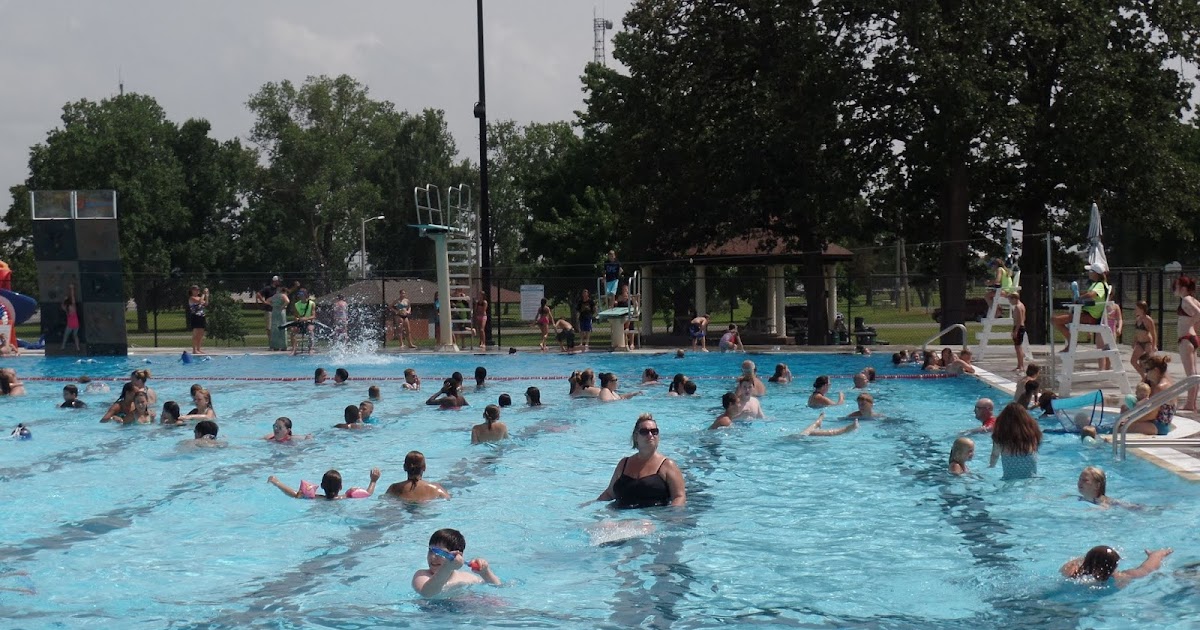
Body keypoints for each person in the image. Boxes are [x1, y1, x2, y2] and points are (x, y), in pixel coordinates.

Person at [593, 413, 686, 508]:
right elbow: (609, 493)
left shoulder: (667, 465)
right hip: (621, 515)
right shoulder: (624, 464)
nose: (650, 435)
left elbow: (679, 496)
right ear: (636, 436)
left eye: (654, 431)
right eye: (644, 432)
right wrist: (590, 505)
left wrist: (671, 517)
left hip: (652, 517)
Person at [412, 528, 501, 597]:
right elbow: (427, 593)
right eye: (430, 551)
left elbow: (497, 587)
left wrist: (485, 573)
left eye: (440, 553)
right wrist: (447, 568)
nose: (432, 557)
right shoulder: (422, 575)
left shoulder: (465, 577)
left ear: (457, 557)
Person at [1052, 263, 1109, 353]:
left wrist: (1079, 298)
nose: (1089, 273)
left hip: (1091, 317)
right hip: (1086, 314)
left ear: (1095, 273)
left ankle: (1072, 342)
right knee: (1055, 320)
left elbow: (1091, 295)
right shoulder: (1096, 284)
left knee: (1055, 320)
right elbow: (1089, 294)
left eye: (1090, 271)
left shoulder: (1100, 285)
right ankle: (1072, 342)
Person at [1061, 546, 1172, 587]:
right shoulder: (1123, 577)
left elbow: (1066, 566)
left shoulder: (1072, 574)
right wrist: (1158, 554)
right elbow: (1148, 568)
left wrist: (1089, 558)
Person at [988, 402, 1042, 480]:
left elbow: (995, 455)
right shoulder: (1032, 434)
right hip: (1031, 477)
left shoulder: (1000, 437)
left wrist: (991, 466)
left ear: (1003, 420)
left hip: (1009, 478)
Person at [1124, 354, 1175, 436]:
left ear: (1156, 370)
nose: (1145, 373)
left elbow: (1152, 414)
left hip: (1158, 426)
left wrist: (1131, 420)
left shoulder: (1160, 387)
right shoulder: (1162, 382)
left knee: (1121, 427)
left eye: (1147, 370)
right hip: (1156, 423)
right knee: (1124, 409)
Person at [269, 468, 380, 500]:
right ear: (340, 487)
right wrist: (373, 480)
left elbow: (293, 494)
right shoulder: (346, 497)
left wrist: (277, 482)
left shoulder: (316, 498)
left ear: (321, 486)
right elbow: (368, 493)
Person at [1175, 276, 1200, 410]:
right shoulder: (1194, 300)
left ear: (1183, 288)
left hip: (1186, 338)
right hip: (1192, 337)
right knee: (1194, 373)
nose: (1175, 289)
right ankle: (1192, 403)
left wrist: (1192, 322)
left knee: (1190, 374)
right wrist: (1194, 327)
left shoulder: (1186, 299)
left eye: (1177, 286)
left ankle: (1190, 404)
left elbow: (1198, 313)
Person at [386, 451, 451, 501]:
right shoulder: (436, 488)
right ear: (424, 467)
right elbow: (448, 499)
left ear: (404, 467)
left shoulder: (394, 488)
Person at [1130, 300, 1158, 377]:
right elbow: (1137, 332)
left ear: (1142, 309)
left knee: (1148, 362)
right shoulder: (1138, 319)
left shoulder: (1148, 320)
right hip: (1139, 342)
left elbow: (1153, 333)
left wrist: (1154, 345)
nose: (1135, 310)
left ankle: (1152, 378)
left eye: (1137, 308)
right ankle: (1144, 376)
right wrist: (1134, 342)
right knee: (1133, 361)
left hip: (1147, 343)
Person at [290, 288, 318, 355]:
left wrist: (306, 318)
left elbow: (314, 316)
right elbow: (296, 315)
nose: (300, 296)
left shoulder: (312, 304)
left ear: (305, 295)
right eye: (299, 295)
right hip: (300, 322)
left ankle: (311, 348)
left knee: (310, 330)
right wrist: (297, 318)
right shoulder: (296, 304)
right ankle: (294, 349)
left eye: (302, 294)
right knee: (292, 331)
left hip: (309, 322)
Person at [266, 278, 290, 351]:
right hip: (281, 312)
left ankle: (275, 345)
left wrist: (273, 305)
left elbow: (267, 301)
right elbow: (287, 301)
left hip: (274, 311)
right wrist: (283, 306)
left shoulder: (274, 296)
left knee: (274, 328)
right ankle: (283, 346)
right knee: (282, 327)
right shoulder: (283, 295)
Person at [1101, 296, 1124, 370]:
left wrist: (1119, 328)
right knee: (1102, 351)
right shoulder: (1101, 305)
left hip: (1111, 330)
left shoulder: (1115, 306)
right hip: (1102, 330)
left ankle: (1107, 369)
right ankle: (1102, 369)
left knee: (1109, 350)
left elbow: (1120, 319)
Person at [187, 285, 209, 355]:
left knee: (201, 333)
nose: (197, 291)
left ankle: (199, 349)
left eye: (197, 290)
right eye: (195, 290)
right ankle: (194, 349)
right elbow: (200, 301)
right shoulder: (191, 298)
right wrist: (203, 294)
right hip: (195, 316)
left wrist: (207, 296)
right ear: (192, 291)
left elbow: (206, 304)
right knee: (196, 333)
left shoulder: (200, 297)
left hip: (201, 316)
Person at [1009, 291, 1027, 372]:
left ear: (1015, 298)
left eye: (1010, 300)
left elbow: (1019, 320)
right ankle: (1020, 365)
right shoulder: (1022, 305)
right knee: (1018, 347)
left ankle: (1021, 366)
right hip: (1021, 327)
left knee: (1018, 347)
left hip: (1018, 327)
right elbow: (1024, 318)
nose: (1010, 302)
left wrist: (1016, 331)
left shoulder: (1018, 307)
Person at [61, 283, 80, 351]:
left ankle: (63, 346)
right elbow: (72, 296)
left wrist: (64, 299)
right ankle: (77, 347)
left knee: (66, 335)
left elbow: (62, 306)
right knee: (75, 335)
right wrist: (72, 288)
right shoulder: (73, 307)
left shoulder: (67, 309)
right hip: (75, 324)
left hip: (70, 324)